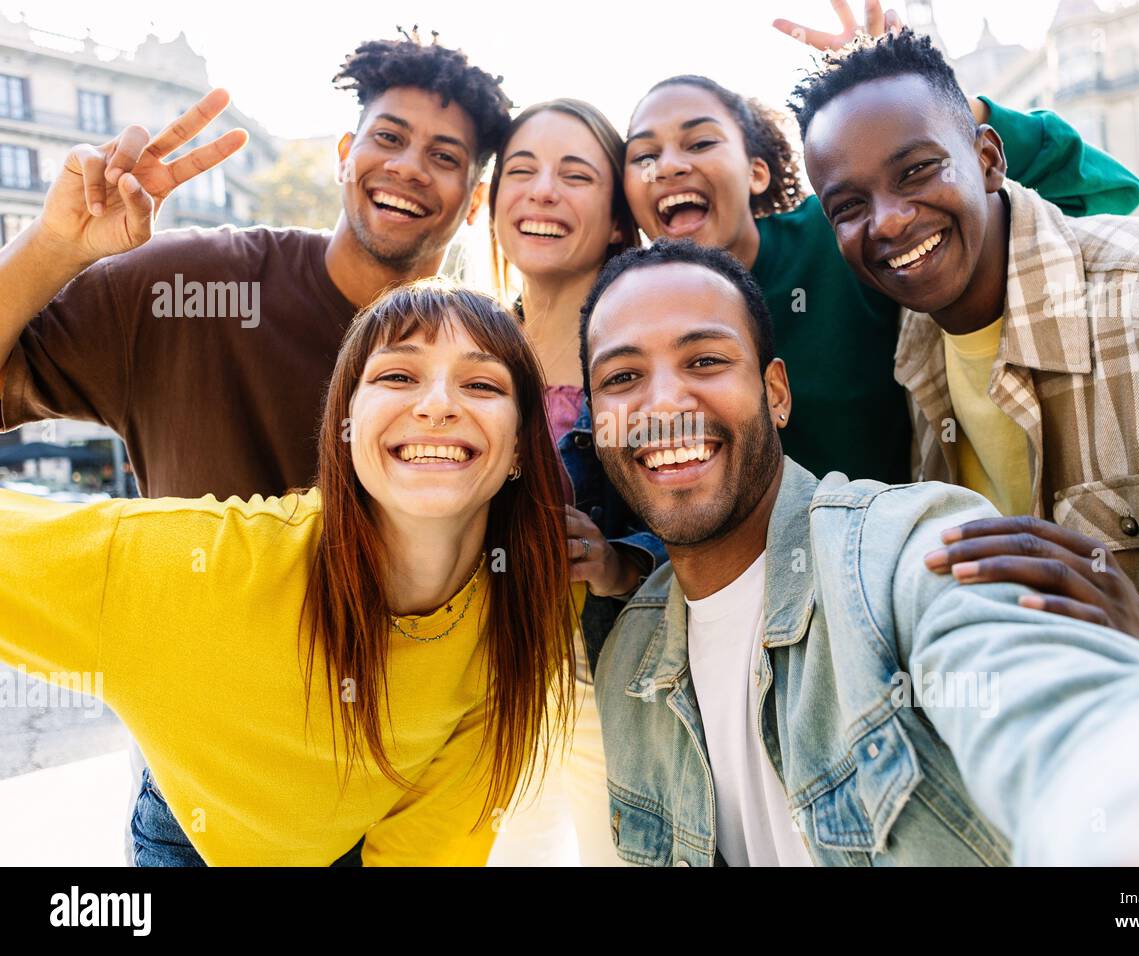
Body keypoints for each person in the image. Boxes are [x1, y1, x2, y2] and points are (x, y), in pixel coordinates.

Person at [0, 32, 513, 865]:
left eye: (445, 155)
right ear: (346, 154)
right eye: (389, 138)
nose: (411, 166)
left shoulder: (485, 383)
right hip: (200, 803)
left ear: (475, 196)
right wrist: (57, 244)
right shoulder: (191, 289)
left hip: (399, 794)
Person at [580, 238, 1139, 867]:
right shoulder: (624, 668)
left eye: (706, 360)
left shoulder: (904, 550)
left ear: (776, 394)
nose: (662, 405)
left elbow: (1061, 722)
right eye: (623, 377)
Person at [0, 281, 577, 865]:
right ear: (345, 423)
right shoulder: (201, 564)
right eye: (397, 376)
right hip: (200, 841)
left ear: (523, 445)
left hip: (356, 837)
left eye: (480, 384)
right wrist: (51, 245)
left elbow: (434, 838)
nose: (436, 404)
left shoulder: (531, 593)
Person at [791, 29, 1139, 662]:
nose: (889, 220)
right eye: (848, 206)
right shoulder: (912, 354)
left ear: (988, 159)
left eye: (917, 170)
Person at [618, 0, 1139, 484]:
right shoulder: (627, 317)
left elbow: (1102, 192)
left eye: (700, 141)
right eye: (644, 155)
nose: (669, 166)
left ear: (756, 172)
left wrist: (924, 102)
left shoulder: (848, 230)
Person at [484, 99, 659, 865]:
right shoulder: (461, 348)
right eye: (519, 171)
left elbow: (720, 507)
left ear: (619, 219)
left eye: (575, 174)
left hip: (609, 687)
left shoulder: (645, 356)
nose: (541, 190)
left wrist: (622, 561)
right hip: (475, 691)